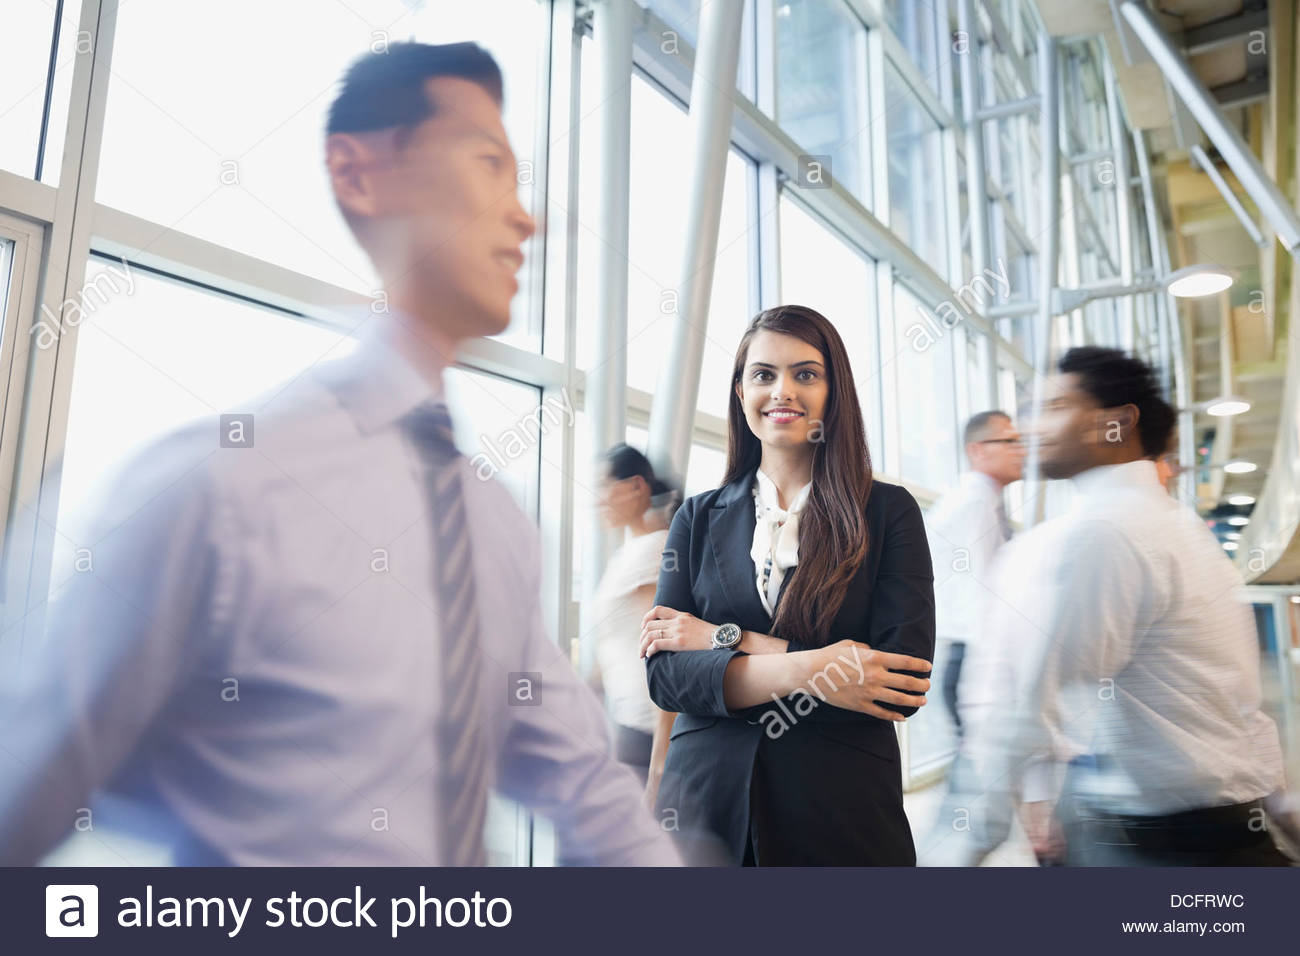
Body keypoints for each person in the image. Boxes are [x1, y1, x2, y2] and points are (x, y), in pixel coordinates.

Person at [0, 42, 678, 867]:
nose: (524, 214)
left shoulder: (494, 525)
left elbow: (583, 785)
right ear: (358, 175)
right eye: (488, 163)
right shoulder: (217, 489)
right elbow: (25, 791)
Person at [961, 346, 1289, 866]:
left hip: (1163, 852)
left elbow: (1025, 706)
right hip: (1224, 837)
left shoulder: (1105, 533)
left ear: (1117, 422)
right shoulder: (1180, 530)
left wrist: (964, 849)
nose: (1031, 426)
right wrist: (1283, 810)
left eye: (1054, 406)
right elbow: (1244, 707)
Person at [638, 305, 935, 866]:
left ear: (834, 390)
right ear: (740, 391)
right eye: (763, 374)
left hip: (838, 812)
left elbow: (900, 679)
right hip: (705, 811)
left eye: (806, 374)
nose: (782, 391)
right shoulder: (697, 517)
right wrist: (818, 668)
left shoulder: (888, 512)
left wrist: (721, 640)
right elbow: (667, 677)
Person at [925, 410, 1024, 735]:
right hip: (975, 658)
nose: (1020, 449)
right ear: (977, 450)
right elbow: (981, 592)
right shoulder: (974, 504)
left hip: (975, 655)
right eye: (1009, 441)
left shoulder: (985, 501)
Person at [588, 444, 679, 797]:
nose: (596, 499)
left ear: (637, 486)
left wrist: (660, 762)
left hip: (648, 736)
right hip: (625, 727)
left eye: (603, 485)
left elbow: (669, 655)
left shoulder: (656, 550)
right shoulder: (627, 554)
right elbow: (616, 642)